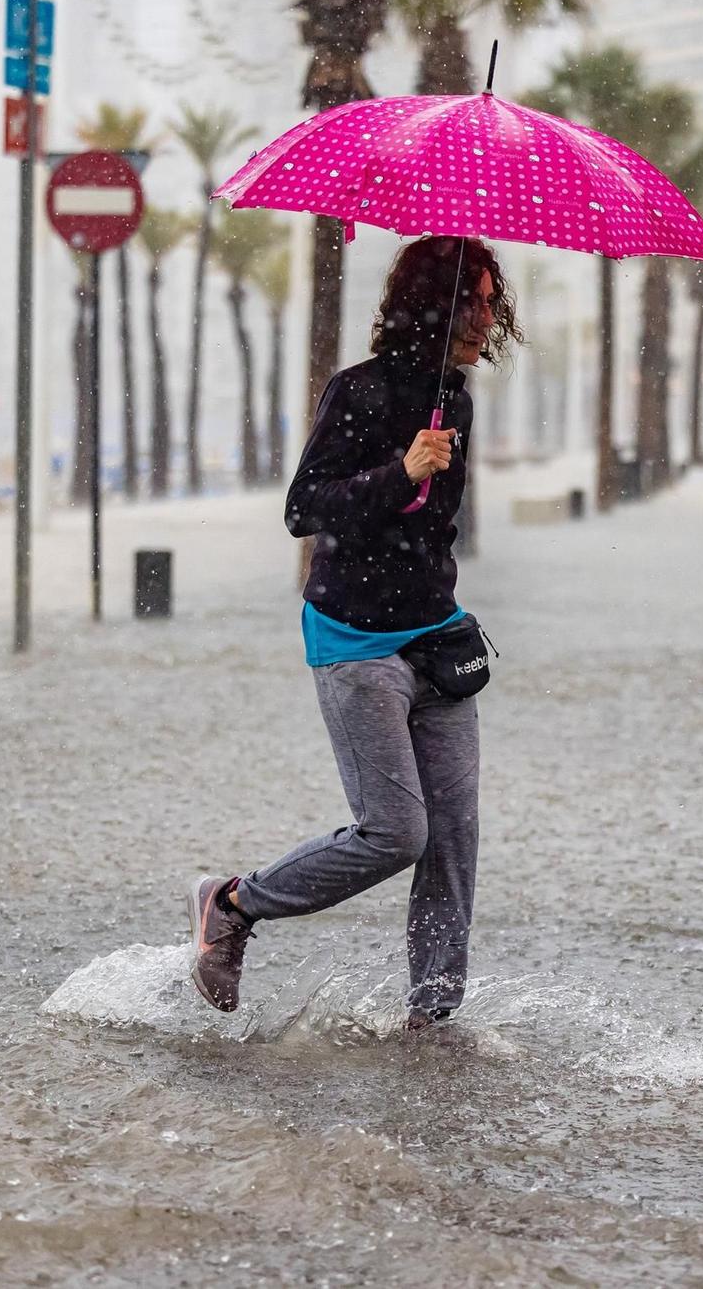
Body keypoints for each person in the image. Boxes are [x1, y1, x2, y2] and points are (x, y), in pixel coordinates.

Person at [186, 235, 523, 1031]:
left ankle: (431, 1021)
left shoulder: (458, 402)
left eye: (489, 299)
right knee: (396, 831)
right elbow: (305, 508)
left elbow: (431, 533)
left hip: (434, 638)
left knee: (453, 837)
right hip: (354, 638)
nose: (485, 316)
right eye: (468, 301)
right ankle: (235, 902)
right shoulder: (359, 392)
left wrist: (423, 495)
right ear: (429, 307)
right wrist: (398, 474)